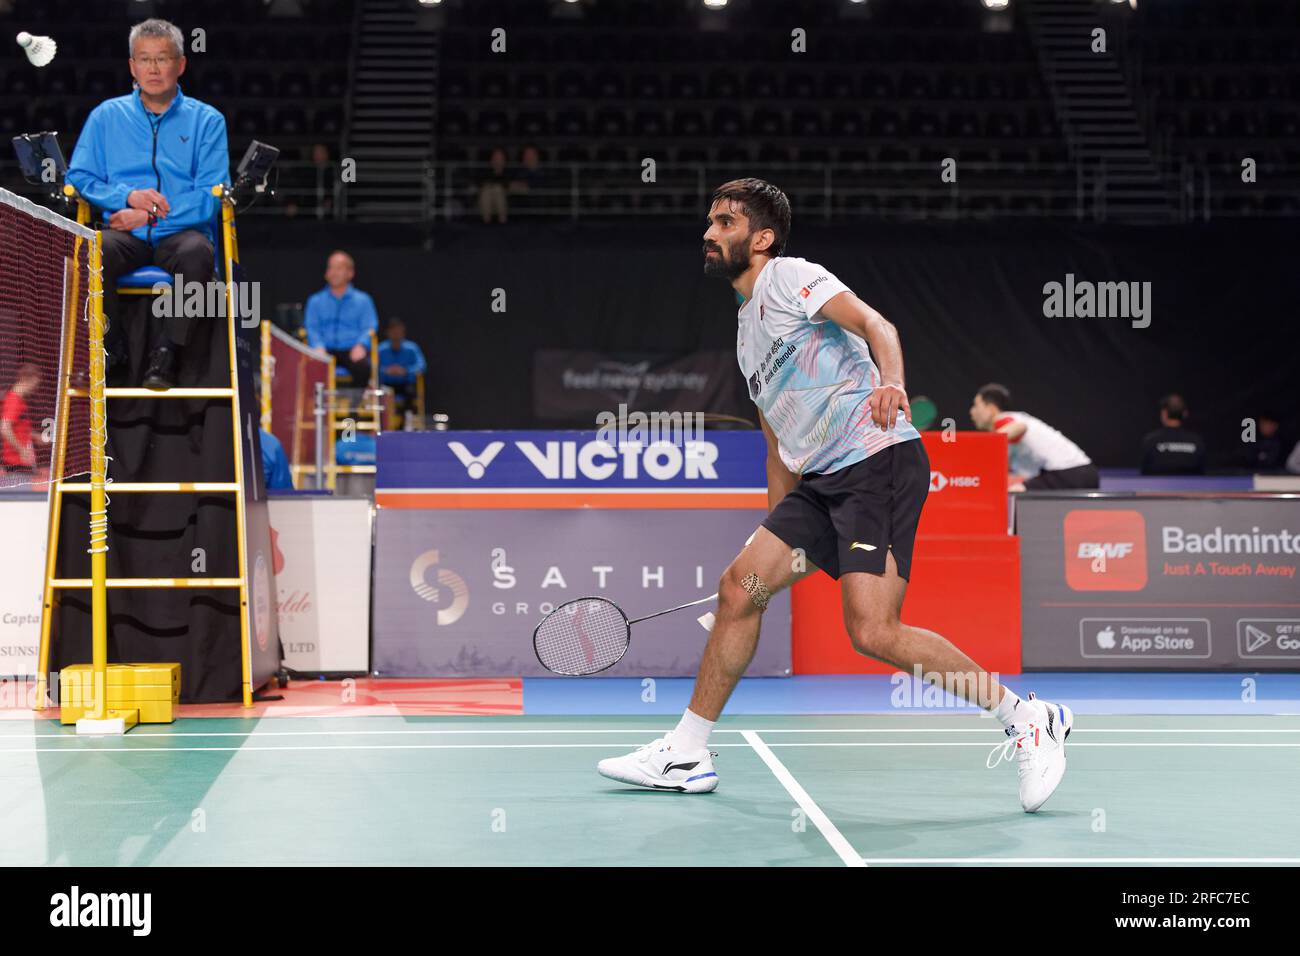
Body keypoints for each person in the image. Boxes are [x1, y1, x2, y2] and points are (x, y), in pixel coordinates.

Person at [597, 179, 1073, 812]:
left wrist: (893, 383)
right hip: (820, 483)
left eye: (724, 223)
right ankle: (686, 751)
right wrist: (774, 532)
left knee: (872, 631)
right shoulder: (746, 337)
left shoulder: (789, 276)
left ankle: (1025, 717)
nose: (708, 233)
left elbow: (879, 324)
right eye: (708, 222)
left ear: (760, 239)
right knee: (742, 587)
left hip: (876, 459)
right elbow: (776, 448)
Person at [66, 18, 230, 390]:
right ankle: (109, 350)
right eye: (145, 59)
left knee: (197, 254)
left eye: (163, 58)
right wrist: (125, 196)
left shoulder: (208, 121)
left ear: (181, 64)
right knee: (95, 250)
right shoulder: (106, 116)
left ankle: (167, 354)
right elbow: (79, 178)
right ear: (132, 66)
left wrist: (150, 213)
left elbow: (210, 197)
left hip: (181, 234)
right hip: (125, 234)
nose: (154, 69)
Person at [969, 384, 1098, 491]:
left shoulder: (1003, 420)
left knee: (1015, 492)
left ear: (991, 409)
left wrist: (983, 445)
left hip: (1068, 473)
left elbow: (1019, 428)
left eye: (976, 405)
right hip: (1082, 472)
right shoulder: (1015, 420)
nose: (972, 411)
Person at [303, 250, 378, 385]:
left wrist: (361, 345)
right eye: (330, 267)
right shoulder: (315, 301)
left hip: (351, 349)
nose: (334, 272)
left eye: (339, 268)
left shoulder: (363, 300)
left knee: (363, 367)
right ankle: (319, 405)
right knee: (310, 367)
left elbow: (370, 326)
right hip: (325, 350)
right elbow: (311, 327)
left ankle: (353, 404)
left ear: (350, 273)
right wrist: (318, 346)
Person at [1139, 394, 1206, 475]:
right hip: (1191, 487)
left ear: (1164, 414)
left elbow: (1144, 473)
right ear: (1185, 413)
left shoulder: (1150, 441)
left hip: (1157, 487)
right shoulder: (1197, 442)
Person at [377, 317, 427, 417]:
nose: (396, 334)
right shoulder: (381, 349)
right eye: (393, 331)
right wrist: (386, 371)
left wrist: (405, 370)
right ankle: (383, 423)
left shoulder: (412, 348)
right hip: (386, 384)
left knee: (410, 393)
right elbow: (373, 368)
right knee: (380, 394)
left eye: (398, 331)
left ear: (403, 332)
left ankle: (405, 422)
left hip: (405, 384)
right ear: (388, 333)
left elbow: (422, 366)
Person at [1, 363, 41, 474]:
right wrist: (21, 449)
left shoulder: (19, 400)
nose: (35, 388)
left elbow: (17, 427)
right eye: (35, 384)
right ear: (28, 380)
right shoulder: (14, 400)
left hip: (22, 462)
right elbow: (4, 428)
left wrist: (34, 435)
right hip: (17, 464)